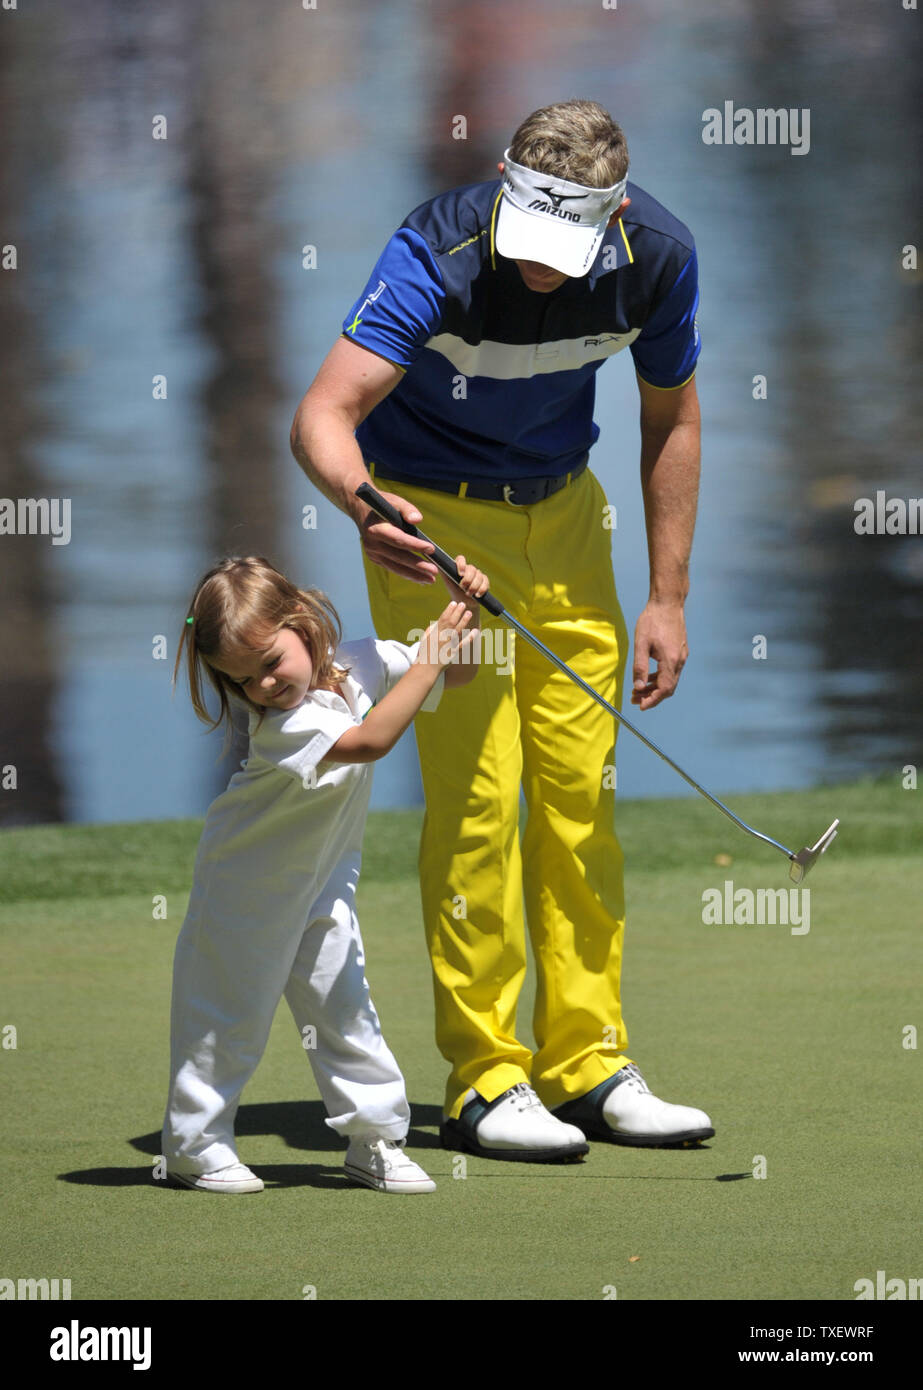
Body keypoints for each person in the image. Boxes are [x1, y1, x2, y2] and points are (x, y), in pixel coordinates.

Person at [290, 99, 714, 1161]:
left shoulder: (656, 257)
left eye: (564, 247)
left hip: (564, 523)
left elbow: (670, 417)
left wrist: (667, 594)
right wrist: (365, 509)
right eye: (528, 240)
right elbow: (323, 416)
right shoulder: (435, 248)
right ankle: (484, 1079)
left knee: (578, 796)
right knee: (478, 799)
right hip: (432, 529)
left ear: (612, 216)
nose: (539, 268)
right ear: (499, 184)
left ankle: (587, 1063)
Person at [161, 552, 488, 1192]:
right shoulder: (284, 723)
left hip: (324, 879)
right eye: (242, 680)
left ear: (302, 622)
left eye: (271, 663)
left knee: (345, 1004)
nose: (262, 685)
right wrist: (427, 658)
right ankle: (194, 1146)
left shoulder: (360, 662)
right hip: (246, 887)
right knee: (228, 1014)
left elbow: (461, 676)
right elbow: (371, 740)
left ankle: (374, 1140)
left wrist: (460, 605)